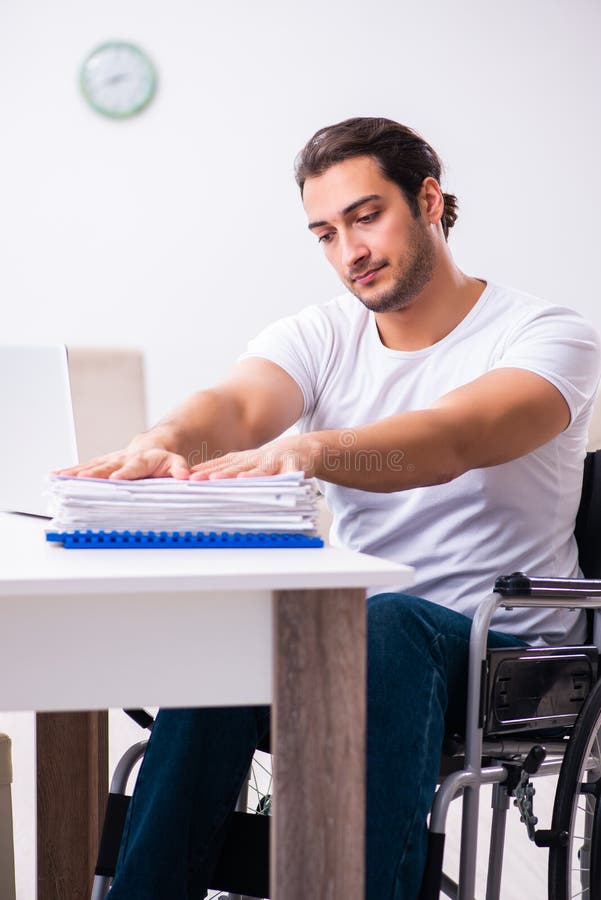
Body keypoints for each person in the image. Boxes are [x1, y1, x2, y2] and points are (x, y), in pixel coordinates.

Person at [63, 117, 601, 899]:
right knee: (233, 634)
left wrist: (312, 451)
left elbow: (449, 437)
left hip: (506, 654)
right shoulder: (320, 335)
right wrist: (164, 439)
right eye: (324, 232)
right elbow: (234, 404)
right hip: (356, 645)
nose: (349, 251)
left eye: (365, 216)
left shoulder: (546, 336)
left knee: (384, 622)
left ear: (427, 200)